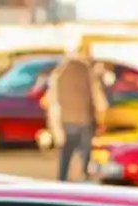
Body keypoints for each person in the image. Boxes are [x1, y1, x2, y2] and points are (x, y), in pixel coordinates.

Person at [41, 43, 108, 182]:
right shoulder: (87, 70)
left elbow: (50, 100)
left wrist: (54, 124)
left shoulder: (59, 72)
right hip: (85, 118)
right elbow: (98, 97)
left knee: (67, 152)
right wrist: (102, 116)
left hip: (66, 119)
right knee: (85, 153)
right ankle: (84, 179)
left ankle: (62, 179)